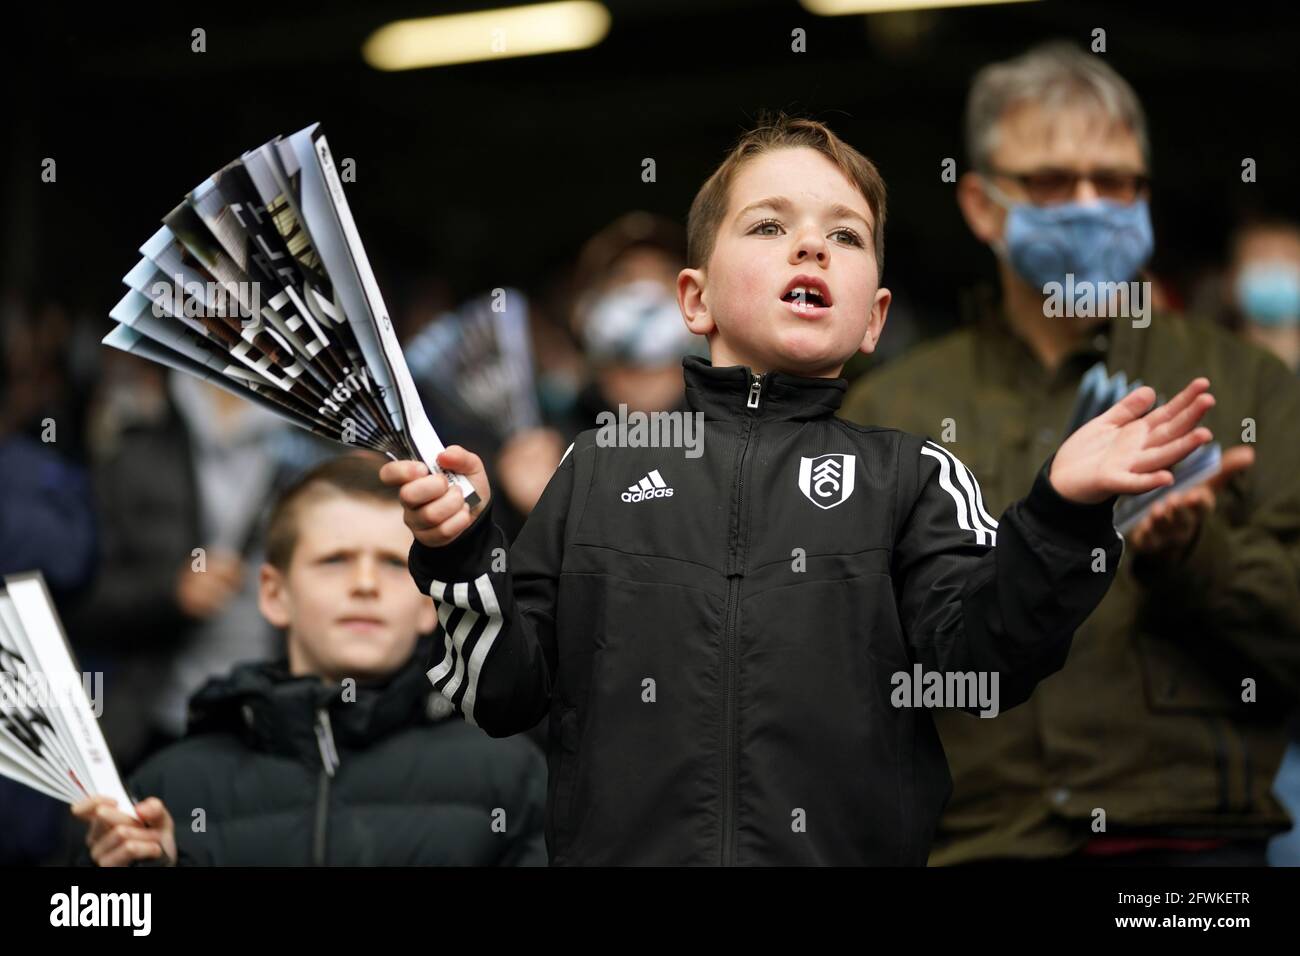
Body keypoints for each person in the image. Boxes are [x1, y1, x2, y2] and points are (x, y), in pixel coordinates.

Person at [381, 113, 1215, 865]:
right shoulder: (597, 468)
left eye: (846, 237)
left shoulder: (912, 477)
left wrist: (1060, 516)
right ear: (695, 301)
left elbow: (984, 668)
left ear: (875, 318)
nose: (813, 247)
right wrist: (459, 550)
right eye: (770, 225)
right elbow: (502, 693)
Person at [840, 42, 1300, 865]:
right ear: (982, 206)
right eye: (1054, 182)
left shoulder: (1246, 386)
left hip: (1188, 847)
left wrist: (1201, 555)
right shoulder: (893, 410)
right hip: (978, 846)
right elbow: (852, 670)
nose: (1091, 204)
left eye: (1116, 181)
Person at [71, 454, 546, 866]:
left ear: (429, 602)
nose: (365, 584)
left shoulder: (510, 776)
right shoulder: (168, 786)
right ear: (275, 594)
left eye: (391, 564)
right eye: (335, 560)